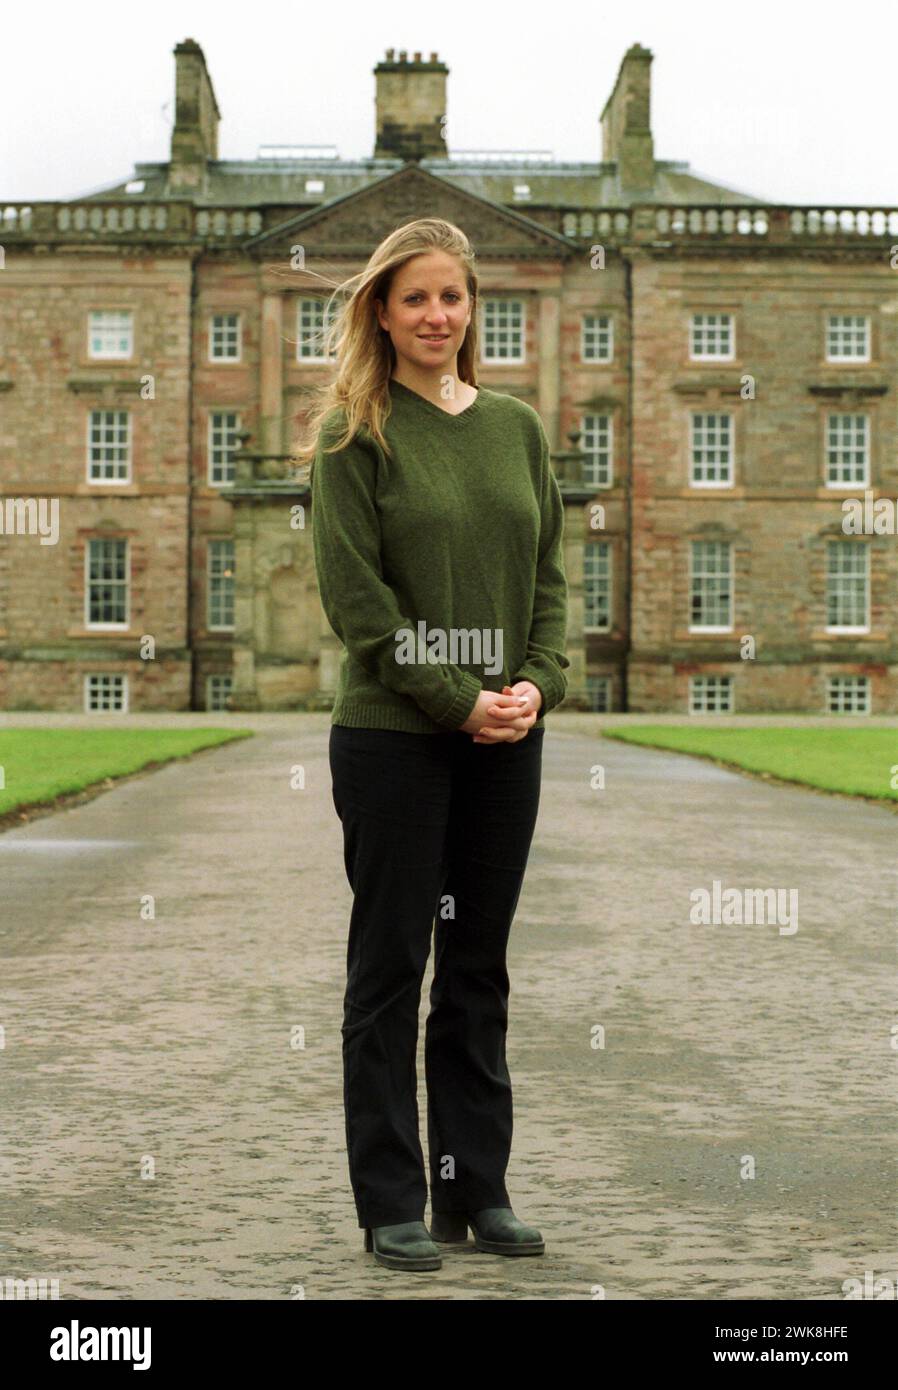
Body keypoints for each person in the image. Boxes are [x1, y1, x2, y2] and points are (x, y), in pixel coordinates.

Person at [296, 216, 570, 1272]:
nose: (436, 315)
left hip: (507, 731)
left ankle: (474, 1190)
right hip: (394, 737)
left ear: (472, 308)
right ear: (380, 310)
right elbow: (359, 608)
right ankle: (391, 1200)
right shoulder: (349, 434)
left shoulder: (514, 428)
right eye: (414, 298)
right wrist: (458, 697)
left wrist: (538, 681)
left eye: (451, 296)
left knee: (478, 968)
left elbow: (550, 576)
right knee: (390, 965)